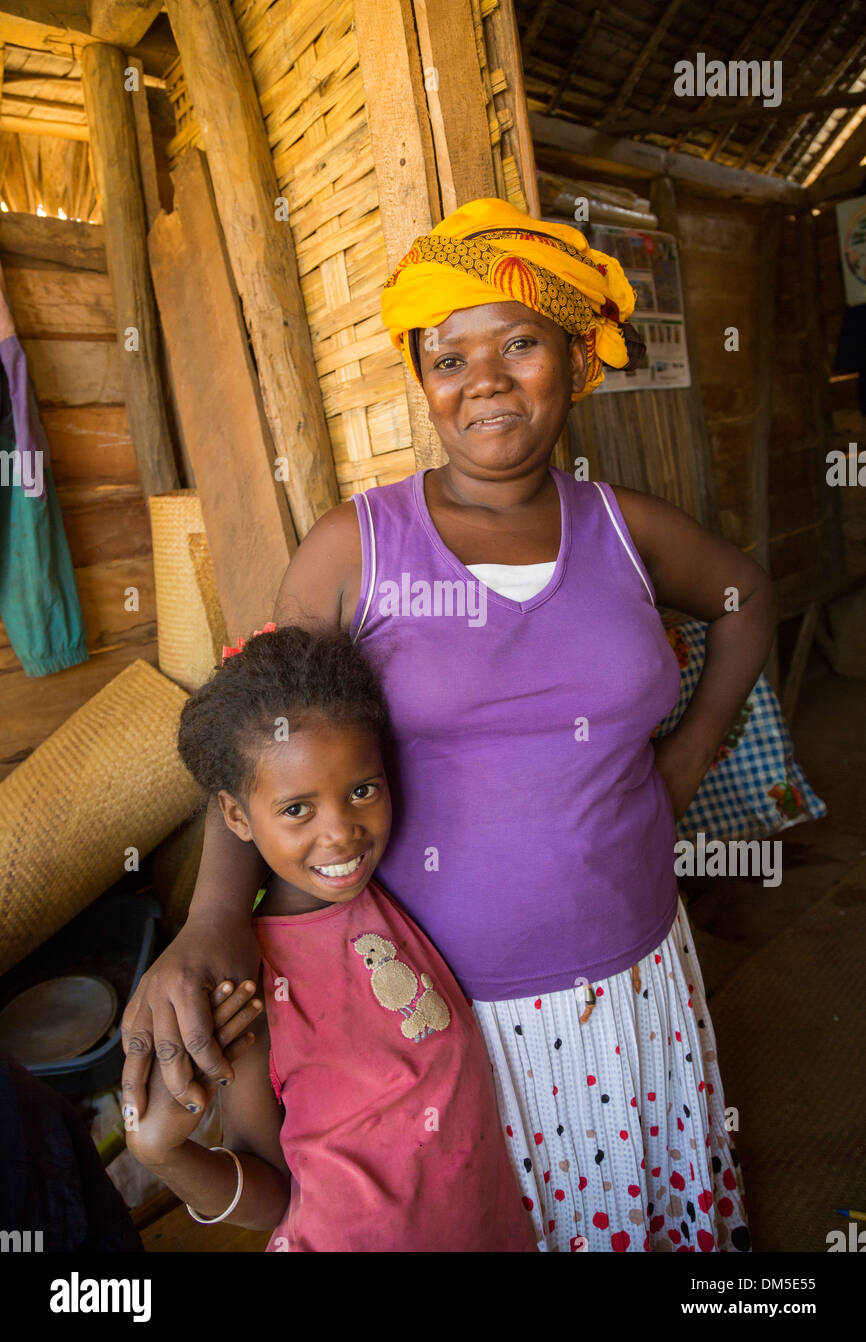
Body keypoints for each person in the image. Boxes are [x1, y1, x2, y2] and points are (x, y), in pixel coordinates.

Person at [122, 198, 775, 1252]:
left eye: (519, 342)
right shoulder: (357, 549)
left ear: (572, 356)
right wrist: (210, 919)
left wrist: (682, 762)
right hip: (441, 1011)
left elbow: (744, 600)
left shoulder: (622, 527)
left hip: (629, 975)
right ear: (422, 380)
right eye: (447, 354)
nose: (483, 379)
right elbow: (261, 729)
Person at [124, 624, 536, 1253]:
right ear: (237, 816)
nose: (341, 833)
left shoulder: (402, 897)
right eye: (296, 809)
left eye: (361, 791)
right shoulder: (248, 987)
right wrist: (159, 1152)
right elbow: (273, 1195)